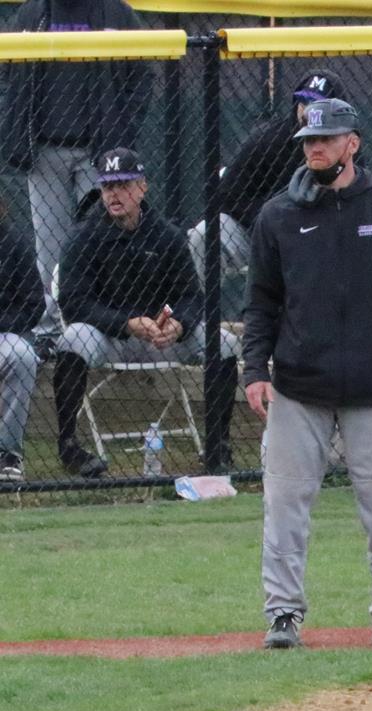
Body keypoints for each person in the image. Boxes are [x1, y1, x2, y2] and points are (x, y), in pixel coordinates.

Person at [242, 98, 372, 651]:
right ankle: (283, 615)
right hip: (299, 386)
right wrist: (256, 370)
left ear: (353, 144)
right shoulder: (278, 215)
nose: (315, 147)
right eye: (308, 140)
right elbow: (261, 304)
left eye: (326, 138)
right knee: (285, 505)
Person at [51, 146, 238, 478]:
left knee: (222, 342)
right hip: (110, 336)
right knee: (73, 336)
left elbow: (191, 297)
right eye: (108, 186)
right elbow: (74, 303)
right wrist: (125, 323)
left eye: (124, 184)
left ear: (142, 187)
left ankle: (218, 446)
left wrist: (178, 324)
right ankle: (68, 446)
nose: (115, 194)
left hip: (161, 336)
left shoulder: (165, 234)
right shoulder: (84, 237)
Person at [1, 0, 150, 344]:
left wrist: (122, 130)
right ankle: (51, 332)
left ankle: (101, 325)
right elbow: (7, 74)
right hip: (43, 151)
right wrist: (14, 122)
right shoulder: (31, 13)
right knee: (50, 248)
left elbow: (141, 75)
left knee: (99, 240)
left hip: (99, 155)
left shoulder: (116, 12)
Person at [190, 68, 346, 281]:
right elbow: (226, 194)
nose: (306, 109)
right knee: (204, 233)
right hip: (258, 232)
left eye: (316, 103)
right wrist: (268, 222)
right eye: (304, 101)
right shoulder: (268, 139)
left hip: (317, 237)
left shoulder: (346, 147)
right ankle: (201, 311)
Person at [0, 216, 40, 483]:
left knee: (23, 355)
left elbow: (35, 304)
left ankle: (6, 453)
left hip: (3, 334)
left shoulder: (13, 241)